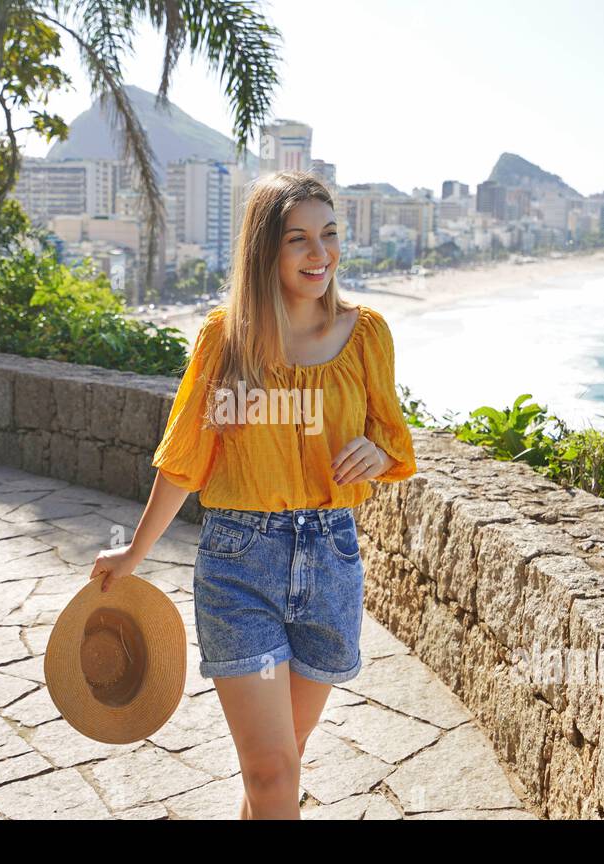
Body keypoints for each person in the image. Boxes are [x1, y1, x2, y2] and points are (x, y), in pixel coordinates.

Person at [90, 170, 417, 819]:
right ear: (265, 248)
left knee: (279, 769)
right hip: (241, 565)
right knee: (271, 773)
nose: (320, 254)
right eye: (299, 239)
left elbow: (394, 442)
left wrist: (376, 455)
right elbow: (185, 459)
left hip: (331, 563)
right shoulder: (226, 337)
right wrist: (136, 551)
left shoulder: (368, 334)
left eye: (328, 235)